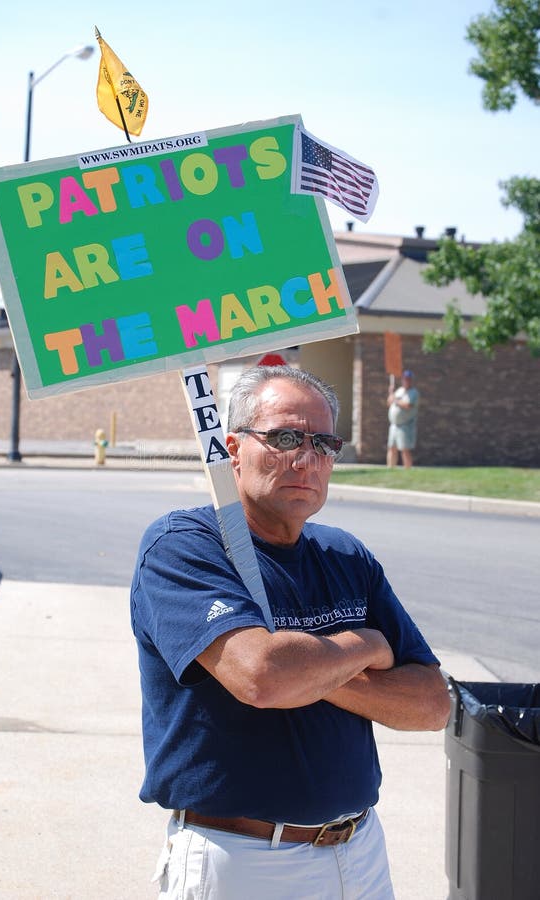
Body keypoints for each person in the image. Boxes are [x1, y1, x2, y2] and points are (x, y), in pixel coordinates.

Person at [130, 365, 449, 900]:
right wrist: (364, 644)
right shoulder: (182, 547)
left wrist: (307, 668)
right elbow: (263, 678)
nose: (307, 458)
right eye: (284, 438)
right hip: (244, 861)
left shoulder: (345, 555)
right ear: (231, 448)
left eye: (324, 442)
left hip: (360, 852)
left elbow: (431, 704)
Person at [387, 369, 420, 469]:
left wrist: (396, 400)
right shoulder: (399, 391)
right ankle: (390, 467)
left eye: (408, 379)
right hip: (394, 425)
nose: (406, 381)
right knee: (392, 447)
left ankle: (407, 468)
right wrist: (391, 393)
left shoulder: (414, 393)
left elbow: (408, 405)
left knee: (405, 448)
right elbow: (389, 403)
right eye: (405, 379)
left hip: (405, 425)